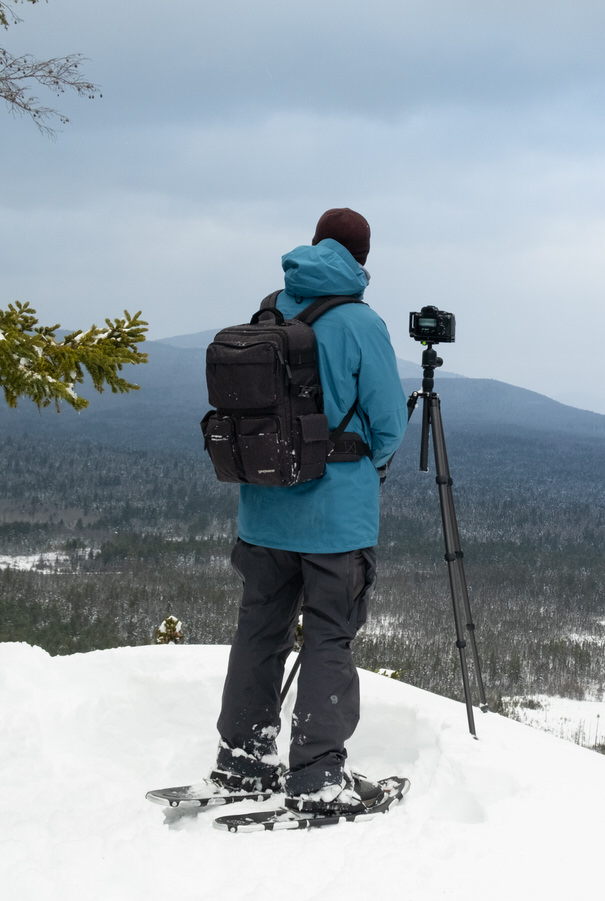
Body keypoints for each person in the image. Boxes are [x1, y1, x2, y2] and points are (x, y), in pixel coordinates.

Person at [206, 208, 408, 814]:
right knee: (328, 635)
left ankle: (242, 760)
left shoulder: (271, 308)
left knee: (259, 632)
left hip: (263, 510)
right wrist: (369, 465)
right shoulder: (358, 322)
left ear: (317, 244)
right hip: (335, 519)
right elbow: (390, 423)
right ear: (362, 258)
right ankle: (318, 774)